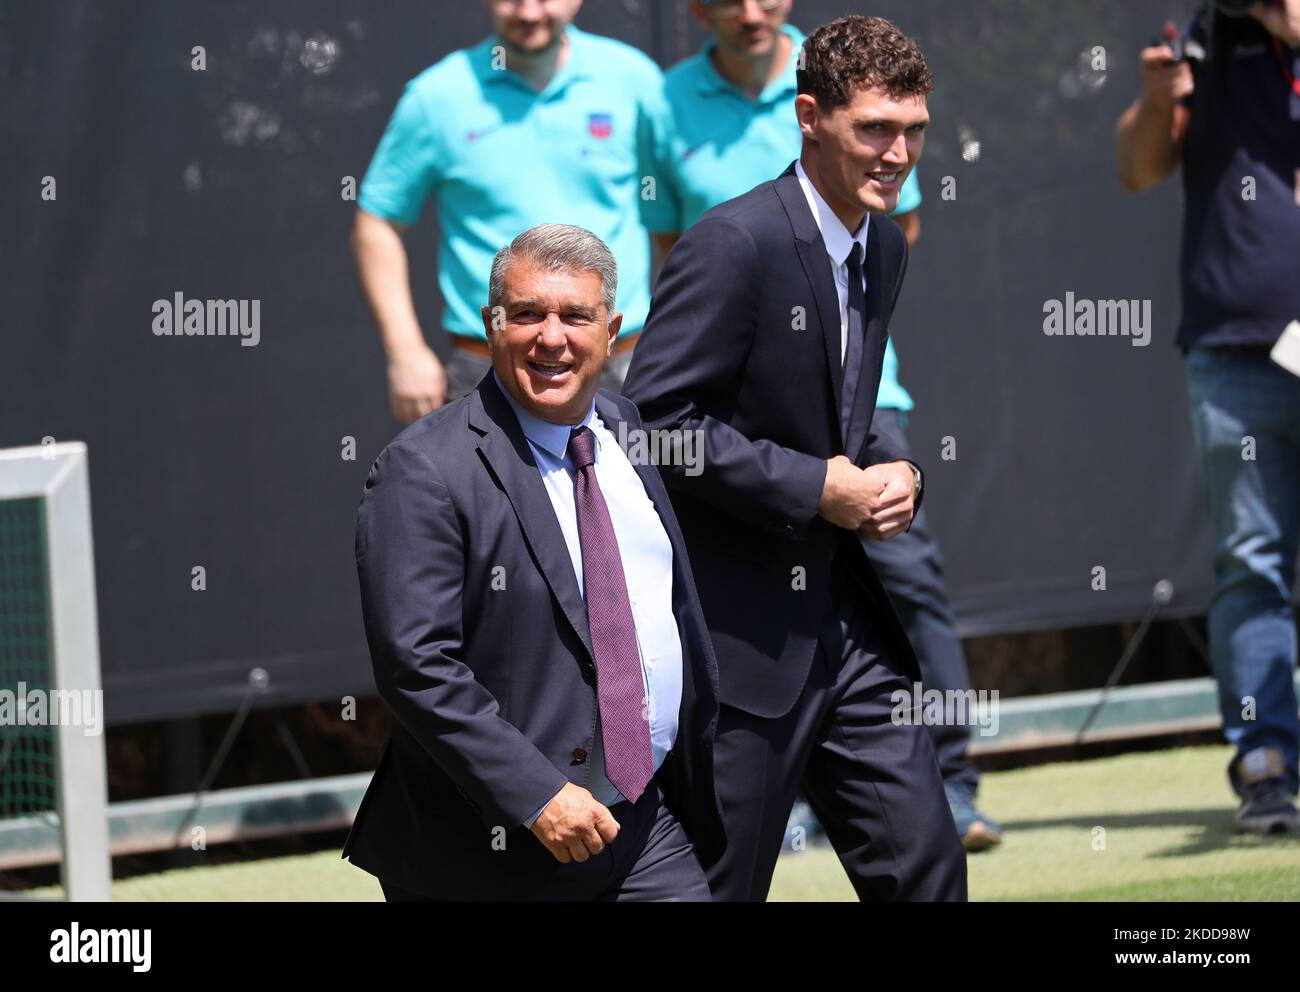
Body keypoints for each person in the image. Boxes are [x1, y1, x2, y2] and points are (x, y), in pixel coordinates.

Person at [624, 16, 967, 901]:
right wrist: (815, 486)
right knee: (717, 888)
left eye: (914, 129)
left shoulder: (884, 245)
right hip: (737, 642)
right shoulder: (734, 242)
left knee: (927, 867)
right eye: (875, 130)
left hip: (848, 628)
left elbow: (845, 414)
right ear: (810, 117)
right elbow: (656, 422)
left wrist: (901, 474)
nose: (899, 152)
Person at [343, 224, 726, 900]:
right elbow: (416, 666)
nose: (552, 337)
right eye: (527, 315)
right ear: (492, 326)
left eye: (575, 315)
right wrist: (537, 793)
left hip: (641, 829)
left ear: (611, 333)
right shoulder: (422, 470)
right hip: (489, 855)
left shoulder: (626, 428)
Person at [1116, 0, 1300, 835]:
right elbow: (1138, 169)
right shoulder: (1206, 32)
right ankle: (1264, 761)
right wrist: (1160, 100)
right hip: (1234, 354)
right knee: (1250, 562)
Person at [353, 0, 672, 423]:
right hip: (489, 367)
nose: (528, 13)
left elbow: (671, 215)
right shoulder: (438, 97)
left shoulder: (634, 80)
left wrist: (675, 336)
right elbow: (378, 222)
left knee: (638, 490)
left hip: (627, 363)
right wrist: (405, 349)